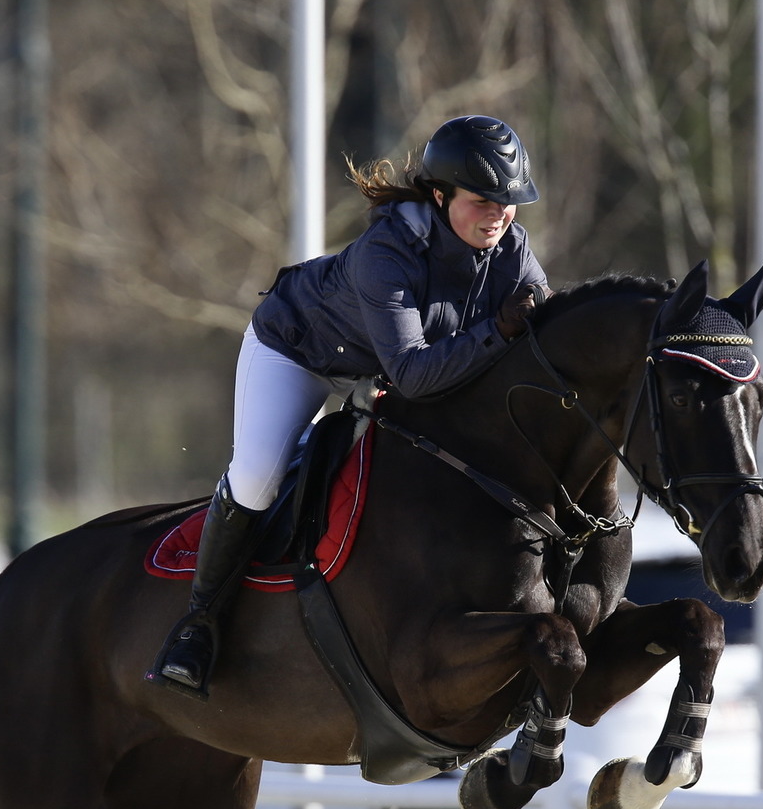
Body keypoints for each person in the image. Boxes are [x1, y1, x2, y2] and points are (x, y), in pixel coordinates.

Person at [150, 114, 551, 697]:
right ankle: (199, 621)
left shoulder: (511, 247)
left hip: (382, 371)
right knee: (260, 476)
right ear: (439, 197)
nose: (499, 214)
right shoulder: (387, 252)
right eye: (482, 200)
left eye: (509, 201)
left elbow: (539, 338)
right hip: (298, 353)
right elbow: (414, 372)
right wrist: (500, 332)